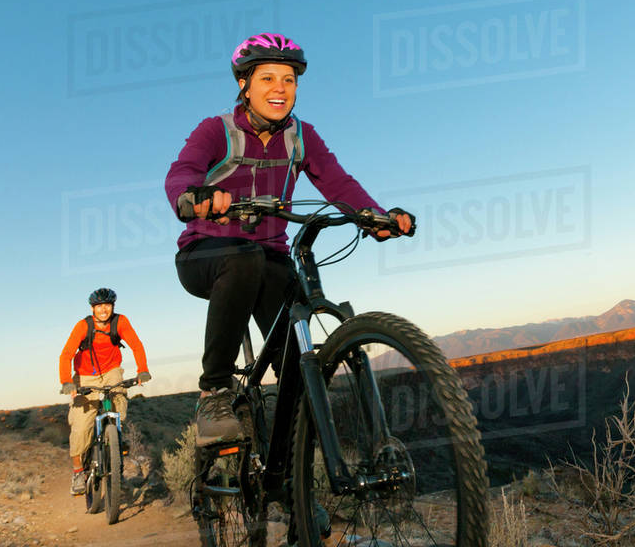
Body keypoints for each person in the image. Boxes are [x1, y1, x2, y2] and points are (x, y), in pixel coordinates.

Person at [164, 33, 412, 445]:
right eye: (267, 78)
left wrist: (375, 217)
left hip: (270, 257)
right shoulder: (216, 130)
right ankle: (214, 393)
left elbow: (337, 181)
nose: (280, 88)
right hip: (205, 253)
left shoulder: (301, 135)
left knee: (294, 352)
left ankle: (289, 471)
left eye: (289, 79)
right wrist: (195, 198)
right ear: (244, 84)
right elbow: (182, 171)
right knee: (243, 258)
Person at [58, 287, 151, 496]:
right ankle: (78, 471)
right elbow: (65, 355)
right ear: (93, 308)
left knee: (119, 403)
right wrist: (67, 383)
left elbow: (136, 345)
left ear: (112, 307)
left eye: (107, 305)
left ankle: (114, 443)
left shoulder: (120, 322)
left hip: (111, 370)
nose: (103, 310)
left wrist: (142, 370)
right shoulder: (83, 326)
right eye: (99, 306)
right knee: (81, 427)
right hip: (85, 375)